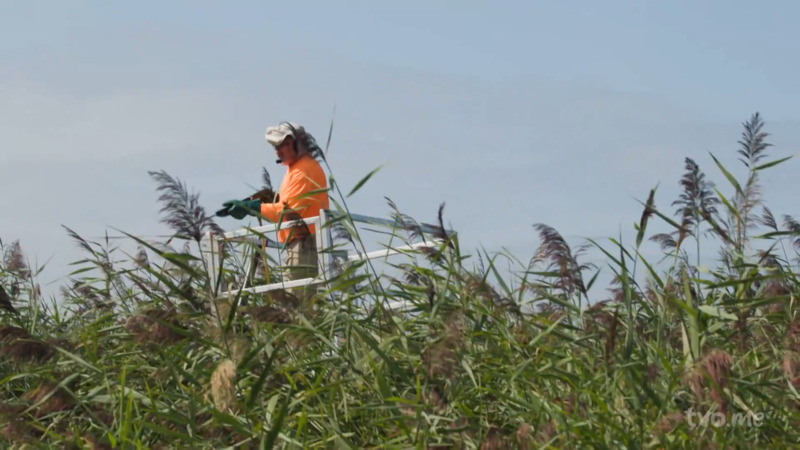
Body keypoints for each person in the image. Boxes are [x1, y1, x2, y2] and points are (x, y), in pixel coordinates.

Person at [218, 122, 330, 292]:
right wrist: (265, 200)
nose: (278, 151)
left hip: (305, 245)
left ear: (298, 143)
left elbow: (289, 212)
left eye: (284, 145)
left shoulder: (304, 170)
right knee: (297, 300)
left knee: (297, 302)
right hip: (301, 245)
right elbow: (290, 203)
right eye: (275, 147)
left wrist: (254, 208)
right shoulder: (297, 169)